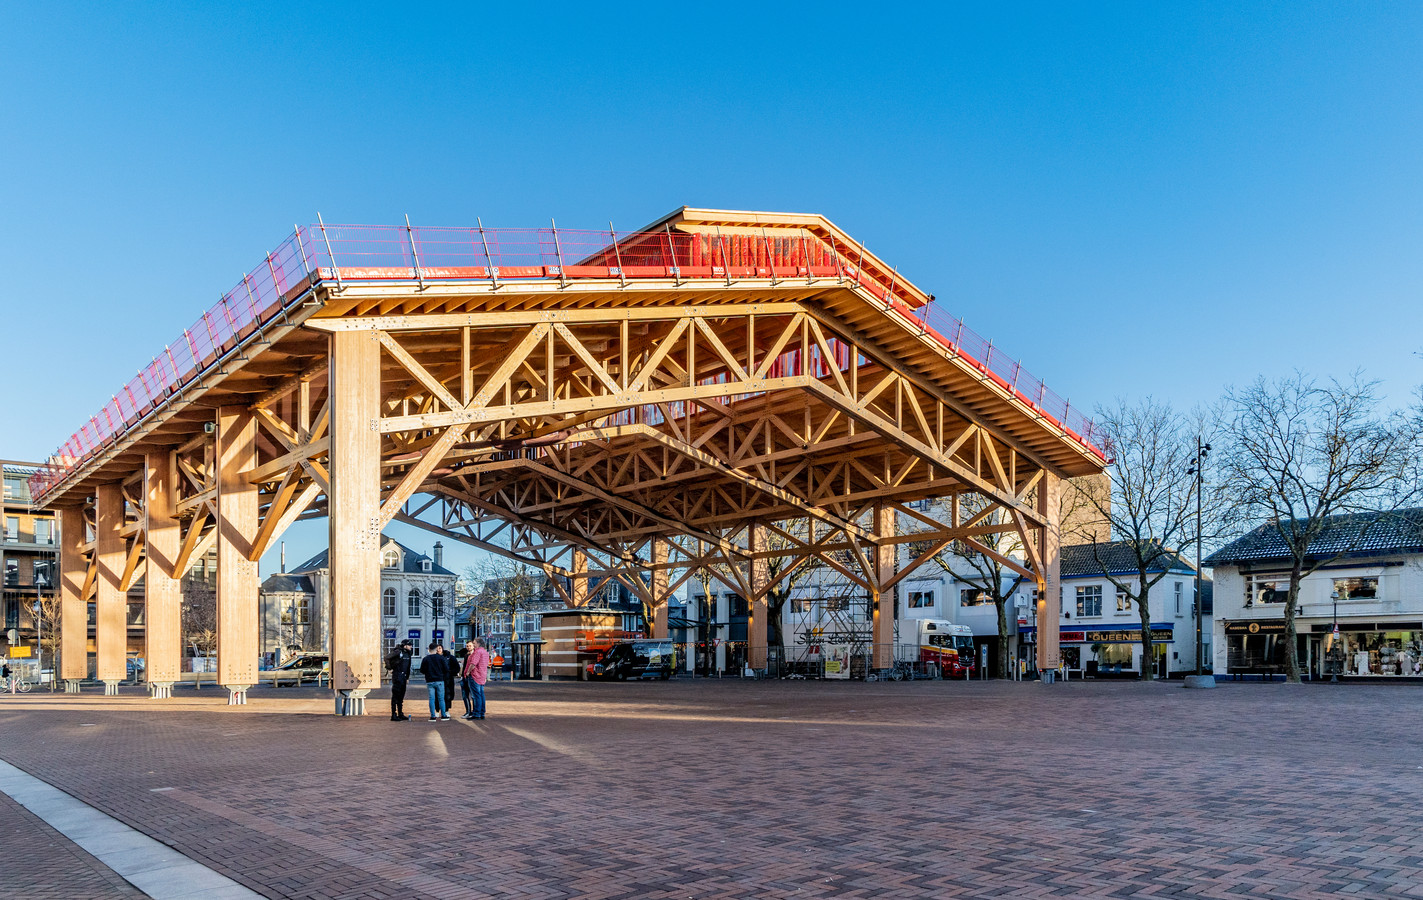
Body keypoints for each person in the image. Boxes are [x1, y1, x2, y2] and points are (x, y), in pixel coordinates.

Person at [419, 641, 449, 721]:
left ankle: (433, 716)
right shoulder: (441, 658)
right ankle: (443, 715)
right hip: (439, 679)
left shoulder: (426, 659)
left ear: (429, 649)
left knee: (431, 698)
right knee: (441, 698)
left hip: (430, 680)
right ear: (436, 649)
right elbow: (446, 669)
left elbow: (422, 670)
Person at [386, 640, 413, 721]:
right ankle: (393, 714)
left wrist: (407, 677)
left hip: (404, 677)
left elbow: (407, 667)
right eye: (409, 645)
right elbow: (387, 657)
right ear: (405, 645)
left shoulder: (408, 654)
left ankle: (400, 713)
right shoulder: (398, 652)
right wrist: (389, 668)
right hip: (397, 676)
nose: (411, 646)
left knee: (401, 696)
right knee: (395, 696)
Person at [464, 637, 490, 720]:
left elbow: (473, 663)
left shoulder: (477, 652)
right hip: (482, 676)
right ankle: (482, 712)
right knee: (481, 694)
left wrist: (467, 672)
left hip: (475, 676)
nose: (473, 644)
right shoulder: (485, 652)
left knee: (476, 695)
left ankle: (477, 713)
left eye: (474, 643)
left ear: (478, 643)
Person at [441, 644, 457, 714]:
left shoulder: (450, 657)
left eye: (439, 648)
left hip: (448, 679)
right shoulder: (435, 657)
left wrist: (450, 673)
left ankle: (447, 710)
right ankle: (438, 710)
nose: (438, 650)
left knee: (448, 694)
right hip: (438, 679)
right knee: (437, 695)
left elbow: (456, 668)